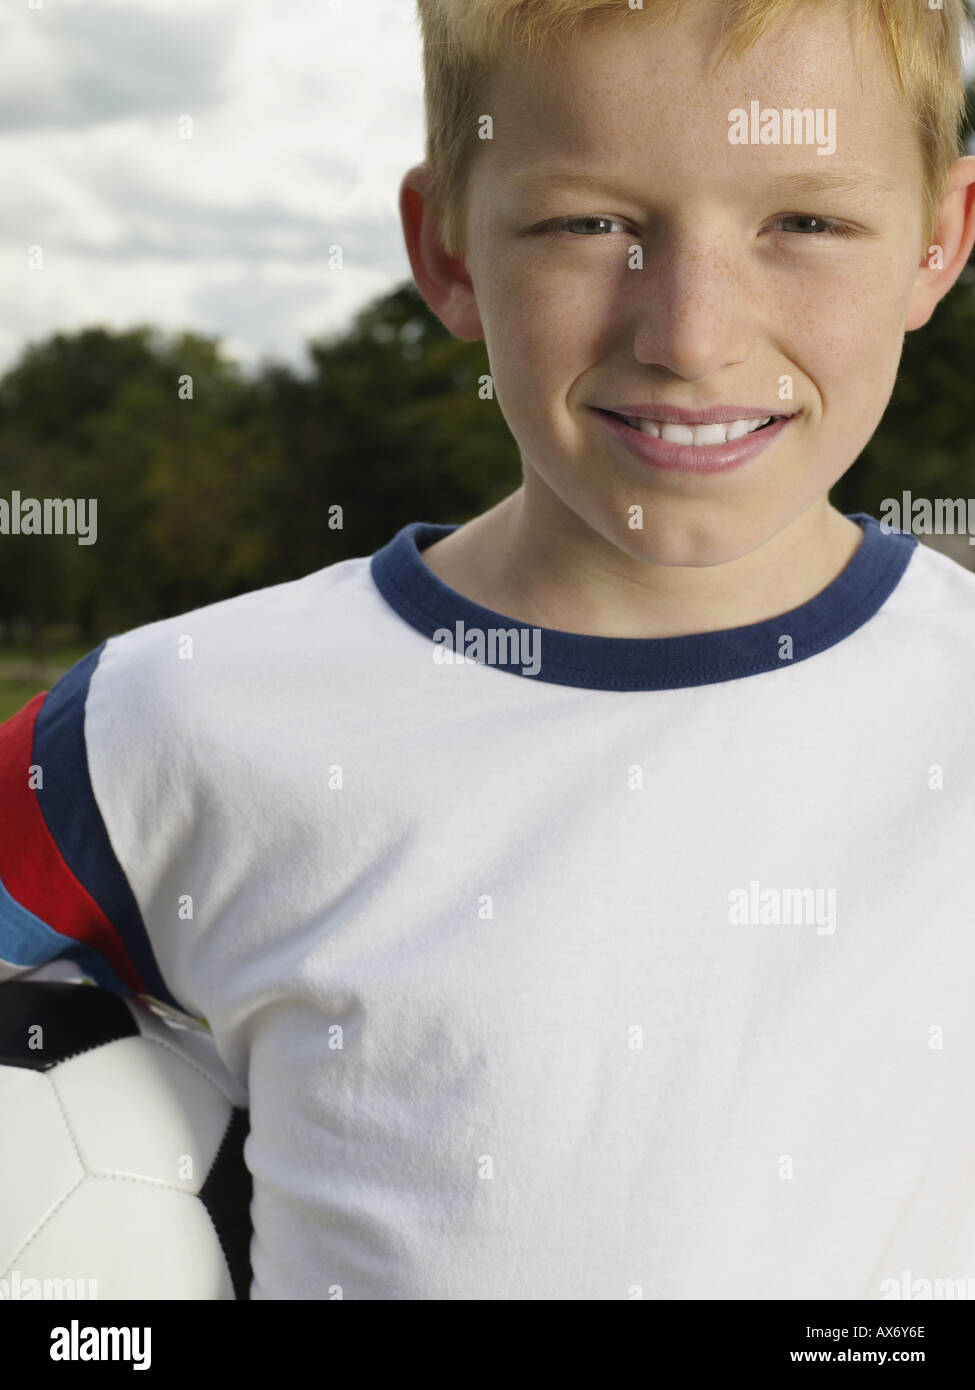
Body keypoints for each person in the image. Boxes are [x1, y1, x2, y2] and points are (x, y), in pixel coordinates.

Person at [2, 0, 975, 1299]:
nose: (691, 333)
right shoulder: (177, 722)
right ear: (446, 250)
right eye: (591, 224)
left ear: (939, 240)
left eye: (804, 222)